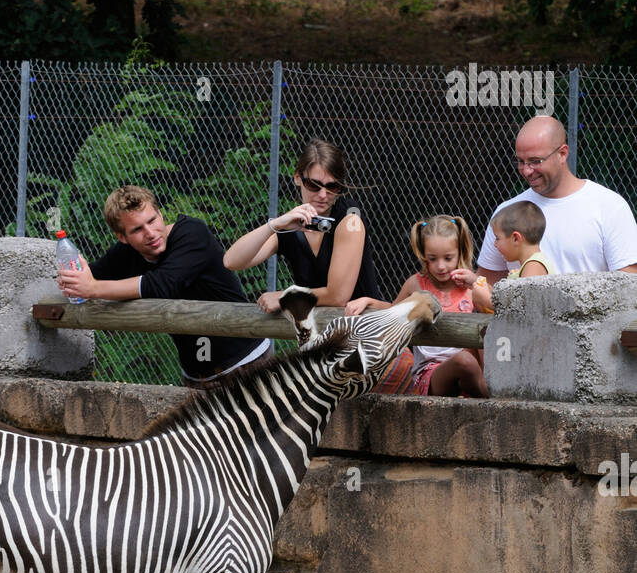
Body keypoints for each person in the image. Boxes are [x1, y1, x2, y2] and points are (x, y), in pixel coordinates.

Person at [56, 184, 270, 387]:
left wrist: (92, 288)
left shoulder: (192, 233)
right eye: (138, 229)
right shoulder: (126, 253)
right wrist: (73, 280)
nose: (150, 233)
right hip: (196, 376)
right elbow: (91, 275)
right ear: (122, 237)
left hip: (246, 364)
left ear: (160, 214)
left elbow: (162, 285)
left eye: (152, 220)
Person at [222, 139, 382, 312]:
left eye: (332, 187)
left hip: (364, 332)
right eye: (314, 185)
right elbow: (232, 261)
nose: (323, 195)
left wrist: (287, 297)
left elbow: (338, 296)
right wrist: (274, 225)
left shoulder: (350, 218)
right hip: (318, 334)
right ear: (298, 178)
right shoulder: (292, 223)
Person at [477, 115, 637, 283]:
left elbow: (629, 286)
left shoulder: (609, 206)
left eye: (535, 161)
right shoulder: (507, 212)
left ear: (562, 153)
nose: (526, 171)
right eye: (520, 161)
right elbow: (487, 283)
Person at [346, 215, 488, 398]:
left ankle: (488, 401)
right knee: (464, 361)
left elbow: (493, 304)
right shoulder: (416, 284)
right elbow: (393, 309)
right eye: (433, 259)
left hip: (470, 376)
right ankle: (492, 401)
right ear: (423, 255)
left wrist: (476, 281)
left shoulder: (469, 288)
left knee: (469, 358)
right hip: (432, 375)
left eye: (448, 258)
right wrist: (368, 301)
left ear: (460, 252)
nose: (441, 266)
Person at [471, 201, 554, 313]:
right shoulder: (528, 266)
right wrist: (487, 289)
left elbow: (523, 308)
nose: (495, 244)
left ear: (516, 238)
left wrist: (487, 300)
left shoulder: (533, 266)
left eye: (497, 238)